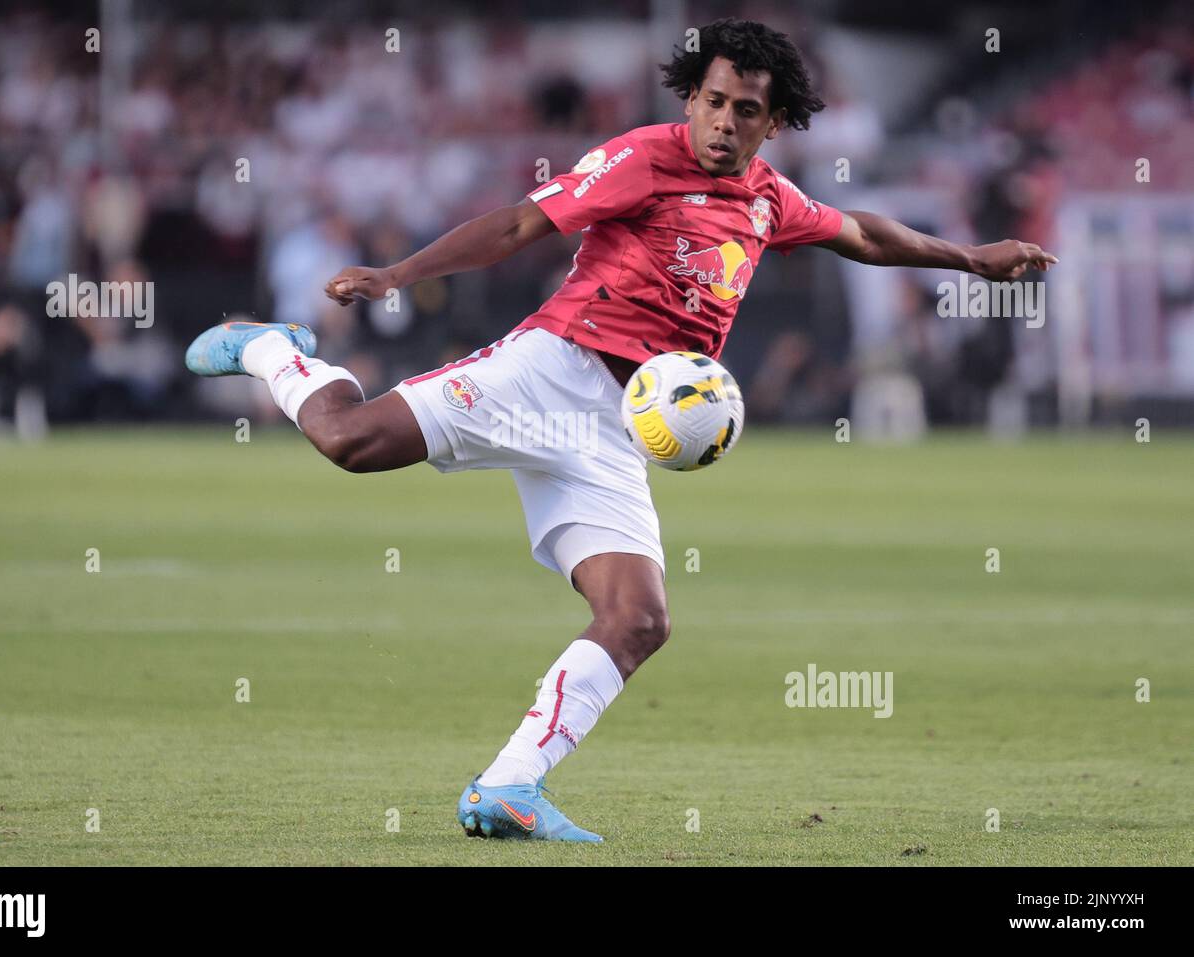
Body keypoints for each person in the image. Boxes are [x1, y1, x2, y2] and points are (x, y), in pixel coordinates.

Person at [185, 18, 1056, 842]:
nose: (723, 122)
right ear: (691, 99)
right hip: (548, 369)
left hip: (616, 429)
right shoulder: (644, 158)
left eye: (745, 110)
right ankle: (273, 352)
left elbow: (861, 231)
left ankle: (509, 787)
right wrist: (397, 274)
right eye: (713, 102)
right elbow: (523, 223)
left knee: (637, 617)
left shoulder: (768, 200)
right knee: (351, 444)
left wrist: (971, 258)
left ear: (774, 121)